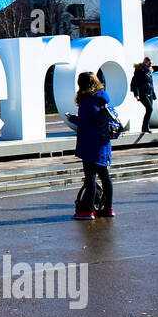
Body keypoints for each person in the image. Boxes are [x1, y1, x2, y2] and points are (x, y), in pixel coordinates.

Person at [66, 71, 114, 220]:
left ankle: (87, 211)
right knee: (105, 177)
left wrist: (73, 118)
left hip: (90, 143)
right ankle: (108, 208)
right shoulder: (102, 98)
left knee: (90, 178)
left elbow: (85, 121)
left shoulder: (88, 100)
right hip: (102, 142)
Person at [129, 57, 156, 133]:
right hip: (142, 92)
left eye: (151, 63)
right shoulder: (139, 70)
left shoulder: (149, 71)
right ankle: (145, 127)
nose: (151, 65)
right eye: (149, 63)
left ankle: (146, 127)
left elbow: (151, 83)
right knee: (150, 109)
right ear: (145, 62)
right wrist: (136, 94)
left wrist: (153, 94)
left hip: (149, 92)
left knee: (149, 110)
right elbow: (135, 83)